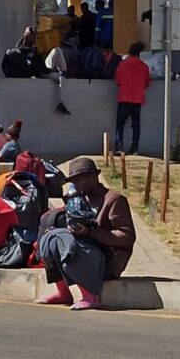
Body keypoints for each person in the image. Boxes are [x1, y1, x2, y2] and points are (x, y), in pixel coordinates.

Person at [37, 158, 136, 311]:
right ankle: (63, 293)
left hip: (107, 261)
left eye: (80, 180)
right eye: (74, 181)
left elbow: (127, 236)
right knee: (52, 238)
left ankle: (91, 296)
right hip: (88, 253)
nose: (76, 185)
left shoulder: (114, 200)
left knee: (67, 242)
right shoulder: (79, 198)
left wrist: (92, 233)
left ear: (93, 177)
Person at [112, 41, 151, 154]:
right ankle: (134, 148)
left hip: (124, 97)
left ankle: (119, 147)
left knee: (120, 124)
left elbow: (117, 80)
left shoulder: (123, 64)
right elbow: (147, 83)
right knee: (136, 124)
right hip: (137, 99)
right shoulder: (144, 66)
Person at [44, 45, 72, 115]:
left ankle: (60, 102)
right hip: (43, 71)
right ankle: (60, 103)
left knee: (62, 78)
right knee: (57, 49)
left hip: (50, 70)